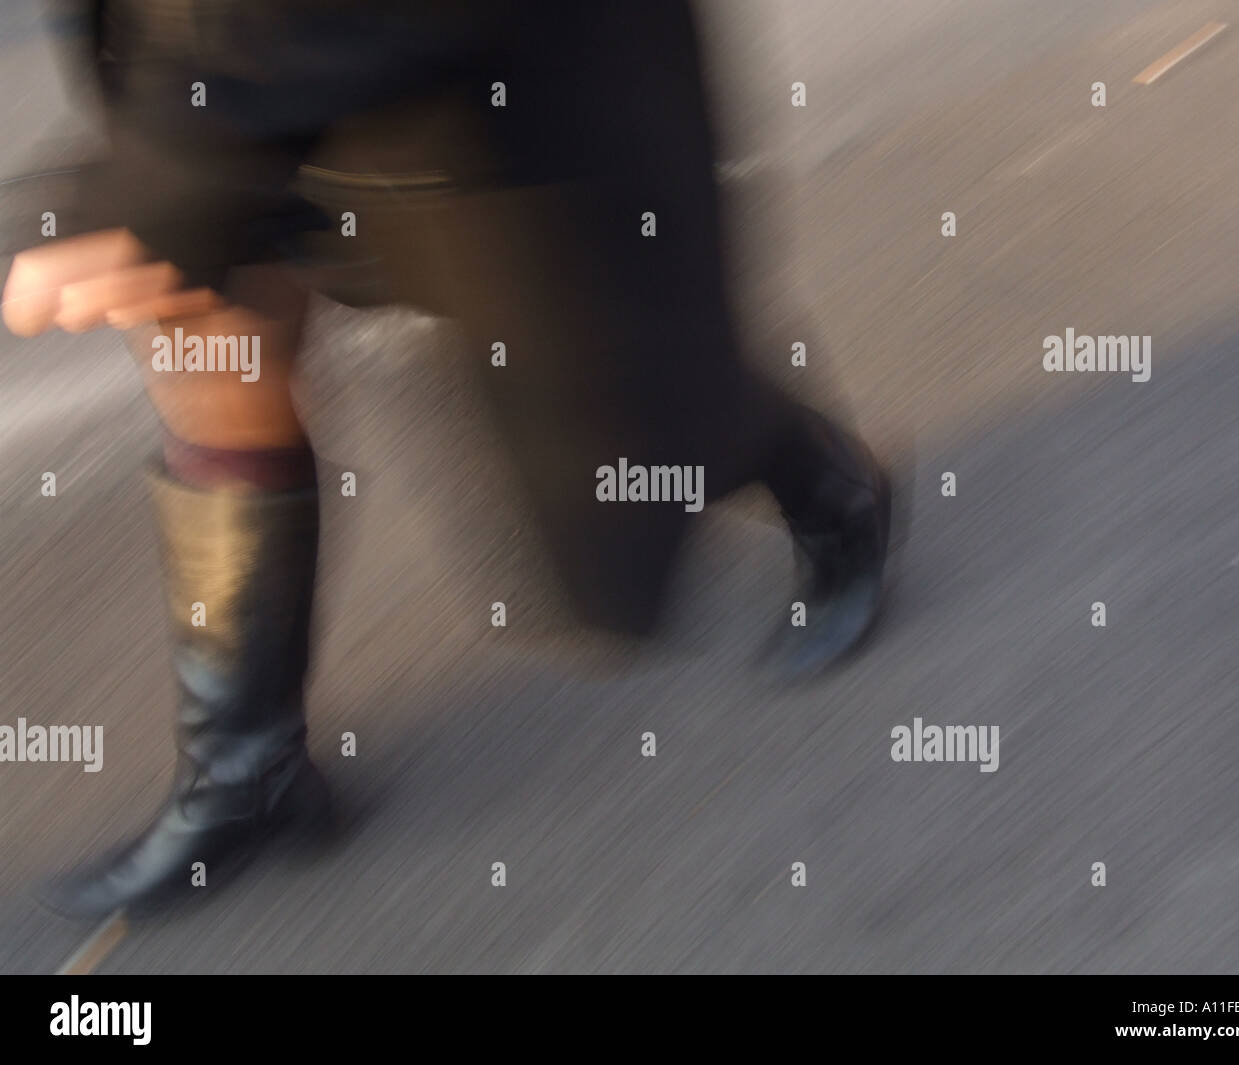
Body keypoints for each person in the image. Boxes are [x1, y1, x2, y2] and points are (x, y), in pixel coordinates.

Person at [2, 0, 893, 920]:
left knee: (627, 388)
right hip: (202, 67)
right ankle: (246, 770)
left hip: (434, 72)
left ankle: (831, 488)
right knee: (216, 356)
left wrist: (156, 181)